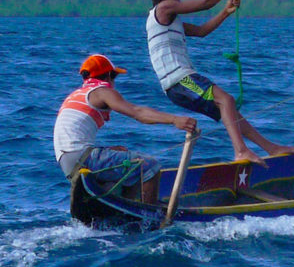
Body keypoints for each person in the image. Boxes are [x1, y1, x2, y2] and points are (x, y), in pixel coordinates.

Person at [146, 0, 294, 165]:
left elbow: (202, 31)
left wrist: (225, 12)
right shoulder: (164, 7)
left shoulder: (170, 22)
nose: (179, 1)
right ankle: (241, 151)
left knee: (230, 111)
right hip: (179, 80)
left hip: (179, 83)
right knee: (226, 99)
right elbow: (205, 3)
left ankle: (272, 148)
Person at [53, 52, 197, 204]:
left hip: (67, 163)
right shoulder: (102, 92)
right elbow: (138, 113)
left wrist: (108, 150)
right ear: (108, 76)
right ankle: (148, 217)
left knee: (126, 166)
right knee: (148, 166)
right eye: (114, 77)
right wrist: (175, 120)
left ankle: (129, 207)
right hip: (82, 157)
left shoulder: (76, 95)